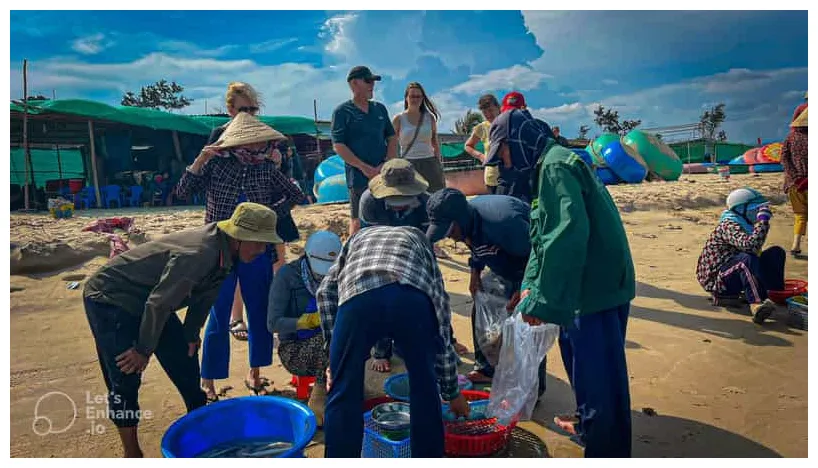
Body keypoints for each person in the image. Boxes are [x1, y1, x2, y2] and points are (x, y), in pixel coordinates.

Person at [83, 202, 282, 458]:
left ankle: (205, 436)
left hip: (152, 297)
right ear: (239, 237)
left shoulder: (228, 251)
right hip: (110, 296)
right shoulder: (198, 254)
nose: (262, 250)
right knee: (126, 376)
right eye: (259, 243)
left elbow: (207, 294)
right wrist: (143, 349)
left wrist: (191, 332)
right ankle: (132, 453)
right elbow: (159, 303)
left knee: (185, 361)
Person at [515, 133, 636, 457]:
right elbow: (541, 238)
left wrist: (543, 300)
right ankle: (588, 426)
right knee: (578, 363)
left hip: (594, 289)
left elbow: (565, 236)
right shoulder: (544, 170)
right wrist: (530, 284)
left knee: (600, 380)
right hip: (579, 287)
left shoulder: (555, 168)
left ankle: (606, 452)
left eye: (504, 156)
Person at [175, 106, 304, 402]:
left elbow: (296, 194)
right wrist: (200, 159)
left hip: (256, 249)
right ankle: (207, 379)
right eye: (255, 141)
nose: (260, 146)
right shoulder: (216, 164)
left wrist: (270, 214)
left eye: (262, 141)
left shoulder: (265, 168)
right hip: (219, 247)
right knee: (218, 314)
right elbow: (183, 191)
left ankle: (254, 373)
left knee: (259, 312)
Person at [317, 226, 470, 458]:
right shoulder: (419, 241)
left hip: (359, 296)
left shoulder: (357, 238)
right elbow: (440, 315)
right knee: (425, 387)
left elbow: (325, 292)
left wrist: (335, 355)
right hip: (411, 300)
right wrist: (452, 392)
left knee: (343, 390)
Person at [425, 188, 544, 394]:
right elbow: (476, 246)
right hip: (501, 263)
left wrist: (523, 289)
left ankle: (531, 389)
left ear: (460, 221)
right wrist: (475, 275)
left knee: (525, 323)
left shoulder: (505, 223)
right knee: (480, 307)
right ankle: (487, 368)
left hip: (529, 269)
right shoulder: (468, 222)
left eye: (450, 231)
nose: (451, 237)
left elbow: (537, 256)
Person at [268, 230, 342, 426]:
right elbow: (273, 323)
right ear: (307, 257)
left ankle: (339, 391)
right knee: (329, 340)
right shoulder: (287, 276)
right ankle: (318, 398)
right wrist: (303, 322)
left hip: (332, 345)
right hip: (295, 348)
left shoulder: (340, 273)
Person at [696, 188, 785, 324]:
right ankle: (756, 305)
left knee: (776, 252)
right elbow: (751, 246)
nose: (758, 212)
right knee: (746, 259)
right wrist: (763, 222)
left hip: (735, 271)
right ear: (740, 210)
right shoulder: (729, 225)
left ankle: (775, 296)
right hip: (718, 282)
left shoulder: (747, 225)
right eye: (755, 209)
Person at [331, 66, 398, 236]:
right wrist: (363, 167)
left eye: (373, 82)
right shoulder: (342, 112)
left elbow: (392, 137)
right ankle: (352, 250)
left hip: (384, 174)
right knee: (358, 220)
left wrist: (386, 163)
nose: (372, 85)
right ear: (354, 83)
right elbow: (338, 145)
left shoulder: (380, 109)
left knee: (389, 217)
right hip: (359, 176)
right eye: (368, 81)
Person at [486, 91, 554, 203]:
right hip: (539, 184)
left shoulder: (501, 122)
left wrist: (508, 166)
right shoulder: (541, 127)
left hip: (512, 185)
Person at [392, 82, 446, 193]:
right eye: (412, 96)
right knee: (411, 199)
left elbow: (435, 143)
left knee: (436, 196)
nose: (415, 99)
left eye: (418, 96)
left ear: (422, 98)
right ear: (406, 98)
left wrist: (439, 164)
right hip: (408, 165)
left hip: (430, 163)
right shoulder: (399, 119)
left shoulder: (429, 118)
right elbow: (392, 145)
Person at [780, 107, 808, 256]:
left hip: (794, 184)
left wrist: (795, 178)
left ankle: (796, 245)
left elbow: (784, 159)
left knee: (800, 215)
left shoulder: (790, 138)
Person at [465, 94, 502, 194]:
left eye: (490, 110)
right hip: (492, 178)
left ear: (498, 107)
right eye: (484, 112)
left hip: (510, 177)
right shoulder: (481, 127)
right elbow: (468, 146)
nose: (488, 114)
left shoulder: (508, 122)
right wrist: (481, 156)